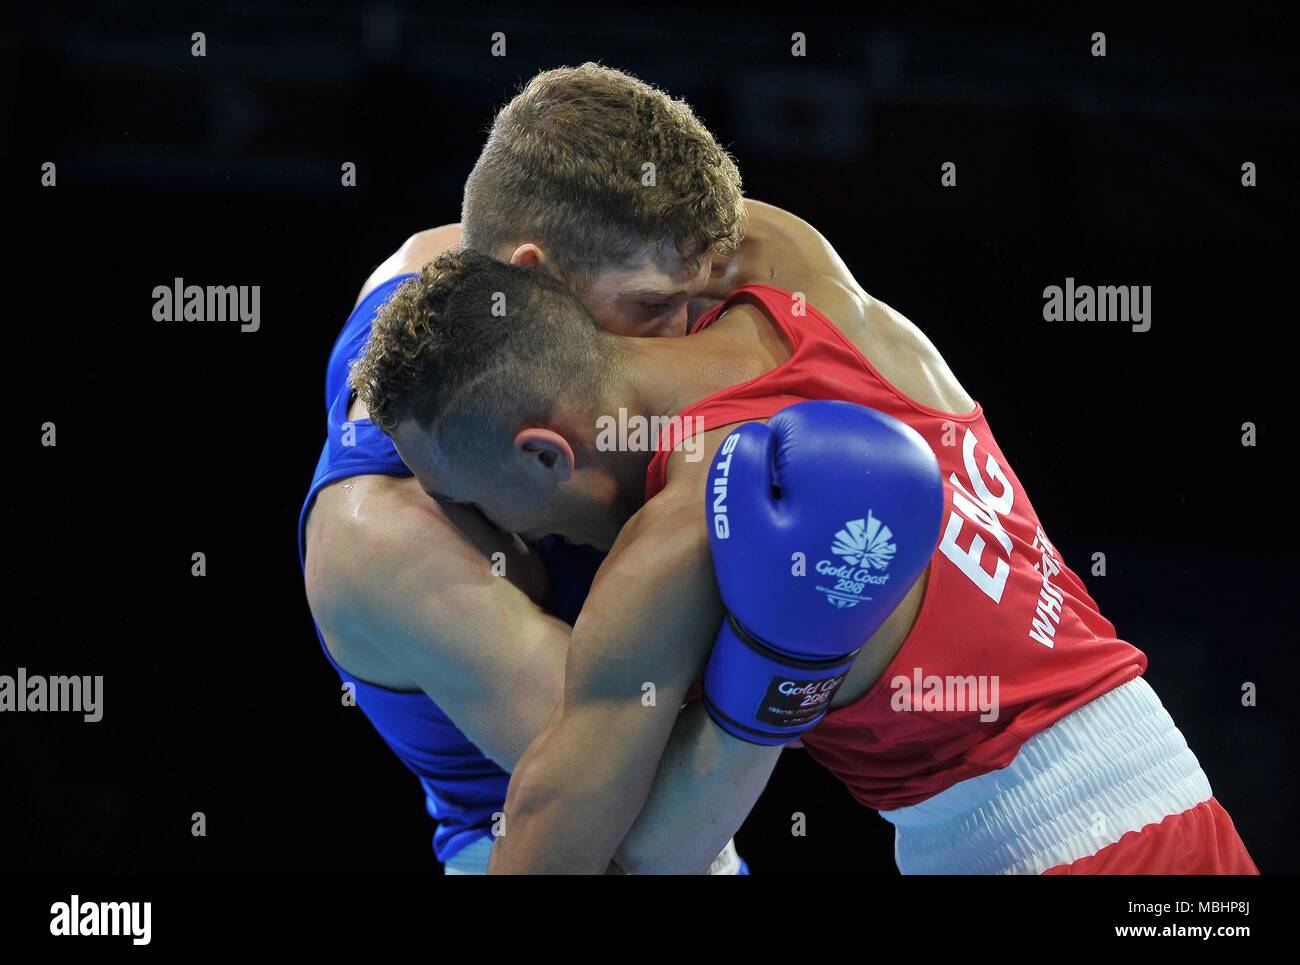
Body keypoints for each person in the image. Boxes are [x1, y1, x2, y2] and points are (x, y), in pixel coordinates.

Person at [351, 211, 1260, 875]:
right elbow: (588, 156)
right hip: (1178, 803)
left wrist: (768, 685)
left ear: (544, 451)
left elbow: (607, 855)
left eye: (488, 505)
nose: (516, 537)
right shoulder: (798, 276)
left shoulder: (683, 530)